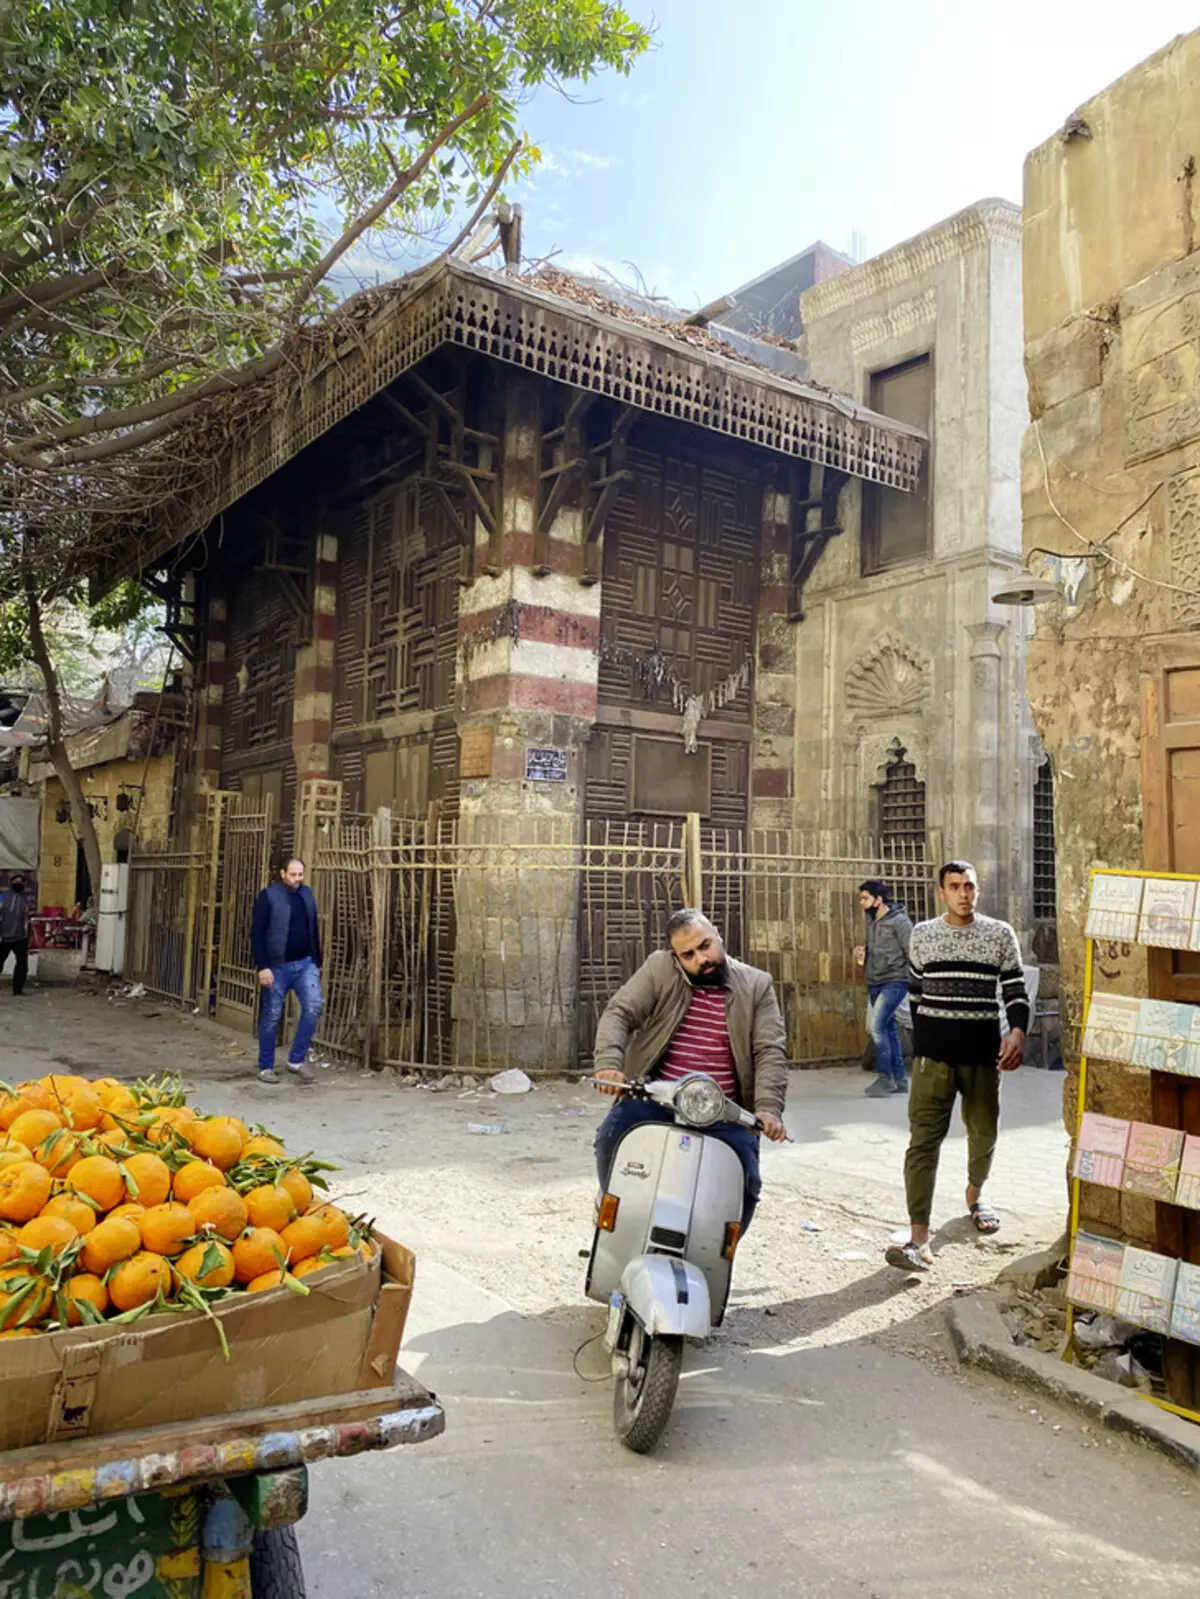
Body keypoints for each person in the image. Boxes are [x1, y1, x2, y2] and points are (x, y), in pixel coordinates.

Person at [592, 909, 789, 1231]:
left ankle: (717, 1261)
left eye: (706, 945)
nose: (701, 959)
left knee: (746, 1187)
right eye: (689, 955)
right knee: (611, 1140)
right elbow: (620, 1013)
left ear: (718, 934)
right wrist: (609, 1065)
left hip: (724, 1109)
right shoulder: (659, 969)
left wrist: (768, 1109)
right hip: (659, 1098)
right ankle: (614, 1215)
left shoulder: (757, 986)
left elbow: (769, 1049)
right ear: (676, 957)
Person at [885, 860, 1029, 1272]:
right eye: (955, 886)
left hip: (983, 1057)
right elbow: (915, 994)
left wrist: (1016, 1033)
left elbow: (1015, 991)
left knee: (983, 1132)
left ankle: (975, 1193)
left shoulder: (1000, 935)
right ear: (941, 893)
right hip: (933, 1062)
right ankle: (918, 1238)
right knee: (923, 1142)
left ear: (977, 891)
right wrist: (931, 1037)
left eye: (970, 886)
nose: (964, 893)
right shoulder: (923, 936)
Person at [250, 856, 323, 1088]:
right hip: (276, 966)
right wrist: (262, 966)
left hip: (305, 964)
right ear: (283, 873)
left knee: (313, 1006)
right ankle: (266, 1066)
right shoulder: (269, 896)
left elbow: (314, 927)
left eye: (300, 874)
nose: (297, 879)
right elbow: (256, 933)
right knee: (272, 1015)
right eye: (293, 874)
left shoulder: (307, 895)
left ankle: (296, 1060)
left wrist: (316, 960)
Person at [854, 879, 913, 1098]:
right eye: (861, 898)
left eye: (865, 898)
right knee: (888, 1029)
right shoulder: (872, 922)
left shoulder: (900, 922)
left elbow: (911, 952)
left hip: (895, 981)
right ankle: (899, 1080)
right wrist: (862, 955)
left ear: (878, 899)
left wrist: (914, 981)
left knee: (876, 1026)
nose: (862, 903)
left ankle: (885, 1077)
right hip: (875, 981)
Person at [0, 875, 30, 996]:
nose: (18, 883)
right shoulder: (3, 897)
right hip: (5, 935)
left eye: (20, 882)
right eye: (16, 881)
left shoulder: (25, 899)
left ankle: (17, 989)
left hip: (20, 936)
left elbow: (26, 917)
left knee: (22, 964)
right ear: (11, 883)